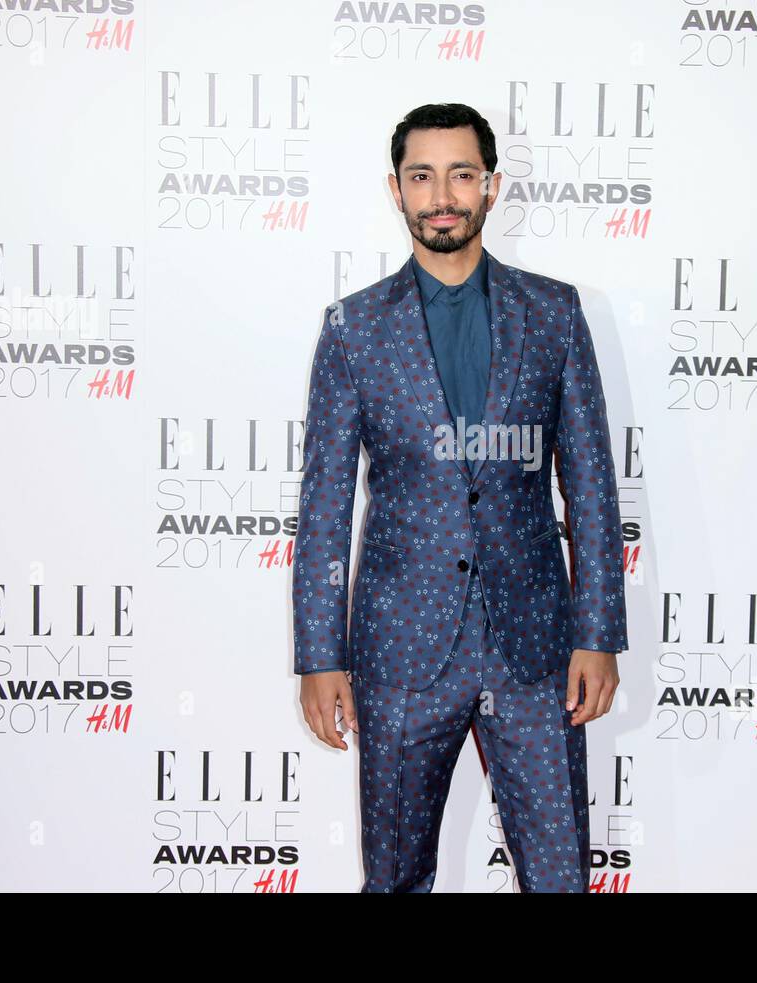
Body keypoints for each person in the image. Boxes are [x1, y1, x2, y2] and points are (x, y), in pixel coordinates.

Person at [292, 102, 628, 893]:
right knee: (397, 876)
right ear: (396, 190)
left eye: (461, 173)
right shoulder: (353, 330)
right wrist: (318, 656)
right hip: (399, 650)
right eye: (422, 175)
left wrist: (600, 631)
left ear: (492, 185)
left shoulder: (555, 313)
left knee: (560, 877)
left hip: (539, 649)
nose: (442, 193)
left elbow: (590, 483)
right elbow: (324, 508)